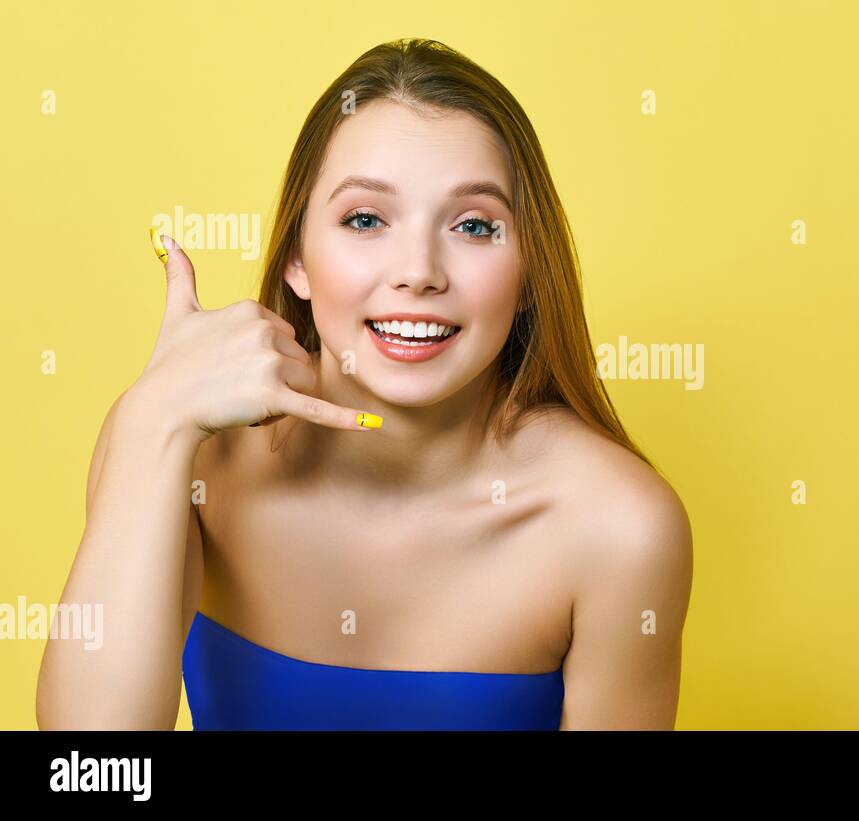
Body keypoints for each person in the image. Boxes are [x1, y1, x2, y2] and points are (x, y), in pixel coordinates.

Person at [36, 38, 693, 730]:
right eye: (365, 219)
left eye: (474, 225)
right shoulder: (184, 451)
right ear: (296, 258)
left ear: (529, 273)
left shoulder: (619, 527)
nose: (418, 271)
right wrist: (156, 415)